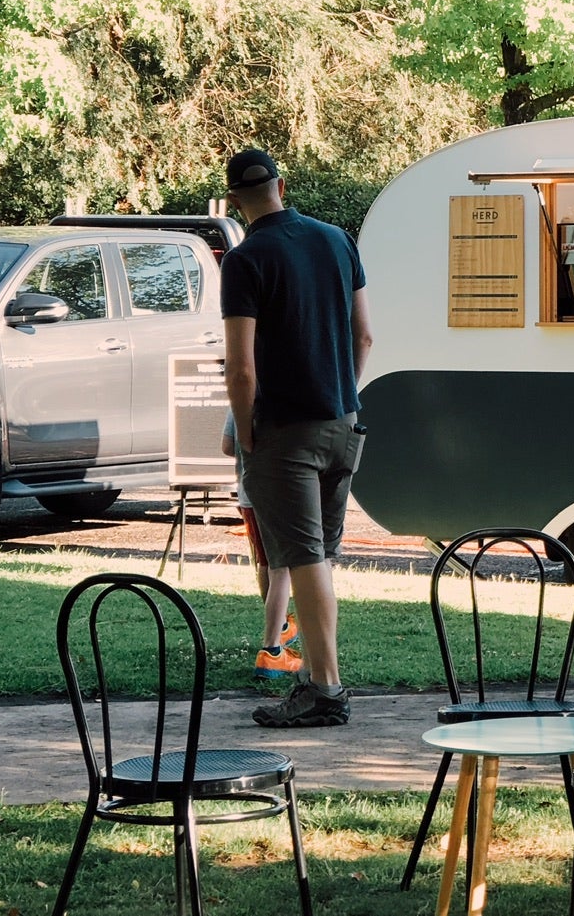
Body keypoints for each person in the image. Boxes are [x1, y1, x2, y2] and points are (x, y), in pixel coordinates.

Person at [220, 147, 372, 728]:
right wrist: (340, 397)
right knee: (321, 559)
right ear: (281, 185)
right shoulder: (338, 240)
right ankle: (314, 679)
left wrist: (248, 429)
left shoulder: (246, 260)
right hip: (342, 425)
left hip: (285, 434)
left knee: (304, 559)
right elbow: (364, 337)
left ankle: (325, 691)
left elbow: (241, 368)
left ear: (235, 199)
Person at [220, 408, 301, 682]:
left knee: (264, 563)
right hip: (277, 493)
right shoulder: (281, 396)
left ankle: (279, 624)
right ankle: (273, 650)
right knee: (283, 568)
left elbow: (227, 446)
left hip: (247, 493)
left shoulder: (240, 398)